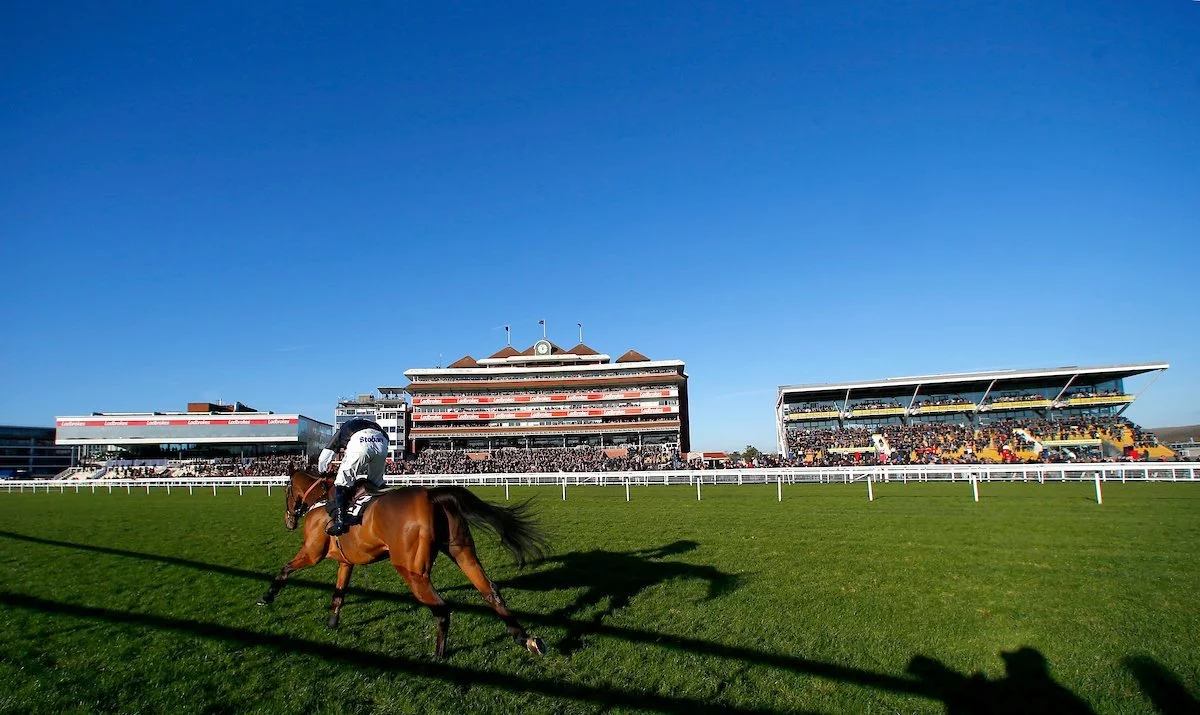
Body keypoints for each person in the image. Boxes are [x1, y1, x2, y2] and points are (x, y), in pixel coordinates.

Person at [318, 417, 389, 535]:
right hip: (382, 442)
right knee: (376, 483)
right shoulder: (373, 425)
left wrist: (322, 471)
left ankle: (340, 522)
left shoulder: (344, 429)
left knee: (341, 481)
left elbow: (324, 457)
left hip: (360, 443)